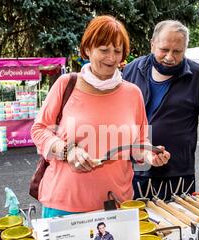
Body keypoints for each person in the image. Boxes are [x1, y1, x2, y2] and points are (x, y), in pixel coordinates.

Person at [31, 15, 171, 218]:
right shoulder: (66, 84)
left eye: (117, 50)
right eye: (104, 50)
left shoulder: (133, 93)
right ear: (87, 49)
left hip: (117, 203)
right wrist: (67, 150)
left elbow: (140, 143)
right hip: (63, 204)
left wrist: (151, 156)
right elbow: (38, 129)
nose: (112, 58)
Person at [122, 20, 199, 197]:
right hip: (134, 169)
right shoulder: (131, 71)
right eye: (164, 50)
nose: (170, 57)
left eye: (177, 52)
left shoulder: (198, 76)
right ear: (152, 45)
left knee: (178, 224)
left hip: (177, 174)